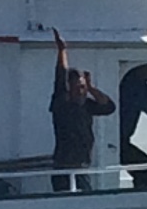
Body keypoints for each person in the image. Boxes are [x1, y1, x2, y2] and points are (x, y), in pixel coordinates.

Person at [49, 35, 116, 177]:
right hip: (64, 165)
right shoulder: (62, 103)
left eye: (83, 87)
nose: (81, 90)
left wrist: (91, 88)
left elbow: (109, 107)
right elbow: (60, 76)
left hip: (83, 164)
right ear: (69, 87)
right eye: (78, 86)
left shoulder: (87, 105)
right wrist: (62, 50)